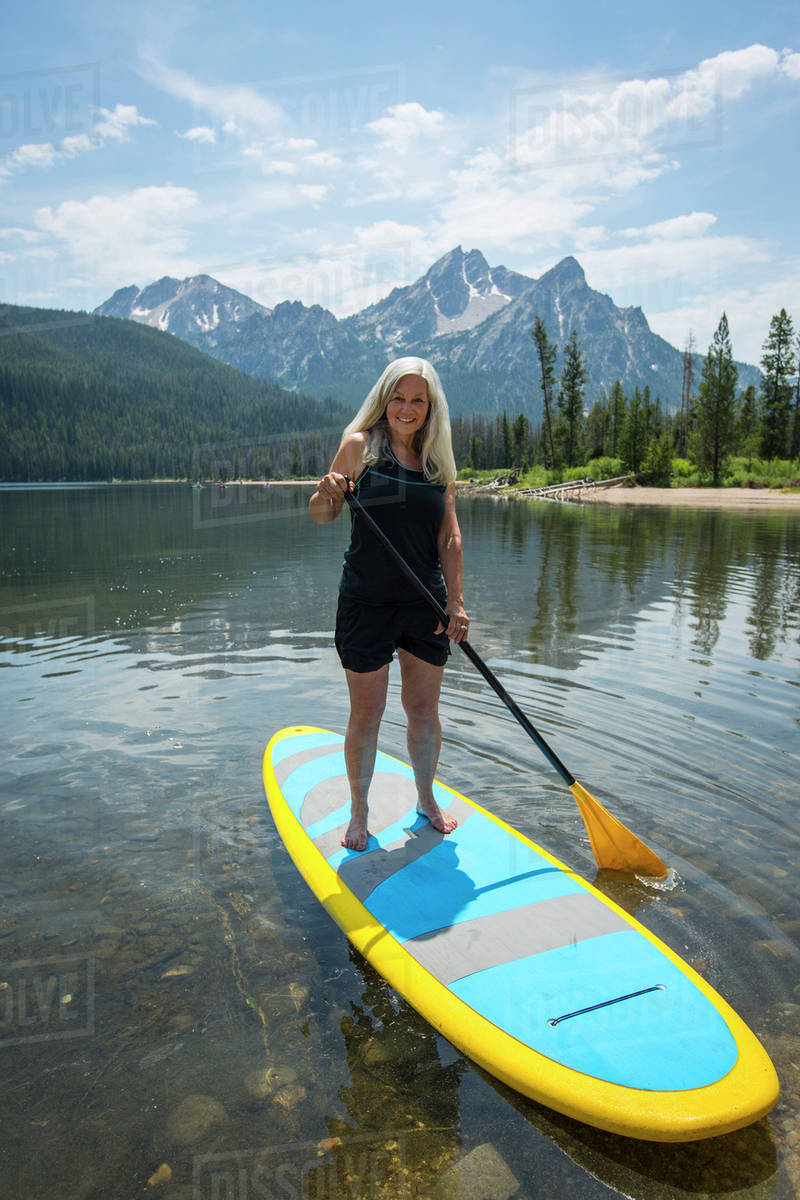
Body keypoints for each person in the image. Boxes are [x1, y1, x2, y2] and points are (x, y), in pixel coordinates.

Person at [309, 357, 469, 852]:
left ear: (430, 407)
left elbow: (450, 536)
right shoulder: (359, 448)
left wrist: (457, 602)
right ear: (384, 400)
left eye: (418, 399)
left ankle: (426, 798)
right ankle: (359, 812)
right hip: (367, 602)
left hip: (426, 604)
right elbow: (321, 515)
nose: (407, 408)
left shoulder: (438, 463)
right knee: (368, 713)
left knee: (423, 709)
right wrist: (327, 489)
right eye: (399, 397)